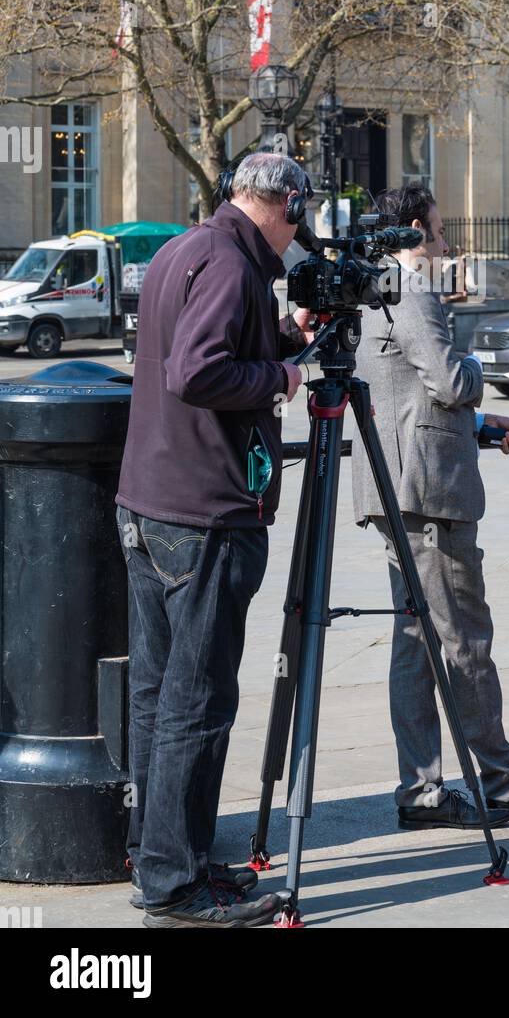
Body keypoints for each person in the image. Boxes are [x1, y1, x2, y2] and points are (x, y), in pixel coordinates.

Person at [352, 183, 509, 827]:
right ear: (412, 230)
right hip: (427, 490)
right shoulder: (409, 289)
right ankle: (501, 780)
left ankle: (423, 792)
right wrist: (476, 368)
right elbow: (447, 379)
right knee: (462, 638)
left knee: (414, 642)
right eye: (437, 228)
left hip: (396, 483)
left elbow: (412, 392)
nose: (447, 241)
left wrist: (483, 423)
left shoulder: (373, 289)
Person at [115, 152, 317, 928]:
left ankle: (165, 850)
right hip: (202, 512)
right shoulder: (233, 264)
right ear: (285, 206)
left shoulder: (183, 249)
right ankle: (173, 885)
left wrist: (285, 338)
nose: (296, 238)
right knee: (197, 701)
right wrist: (281, 381)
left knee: (158, 693)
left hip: (149, 502)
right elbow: (198, 373)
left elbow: (200, 346)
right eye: (298, 219)